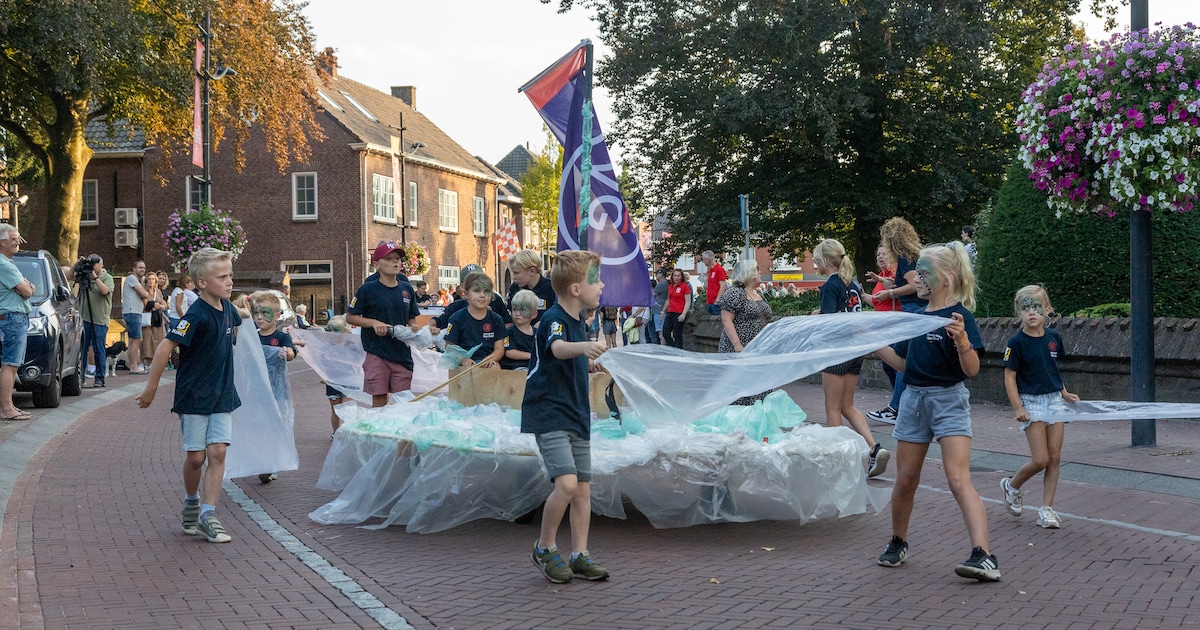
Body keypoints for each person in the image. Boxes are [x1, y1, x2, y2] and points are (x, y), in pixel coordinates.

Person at [874, 242, 998, 582]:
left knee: (958, 478)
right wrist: (873, 342)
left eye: (924, 273)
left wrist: (962, 342)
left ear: (947, 278)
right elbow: (904, 364)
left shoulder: (960, 317)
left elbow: (972, 370)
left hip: (948, 401)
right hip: (913, 401)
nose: (917, 278)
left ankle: (983, 555)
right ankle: (898, 541)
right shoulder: (915, 317)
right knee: (905, 479)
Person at [136, 247, 242, 544]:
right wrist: (151, 388)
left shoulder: (228, 309)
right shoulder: (195, 315)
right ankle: (192, 501)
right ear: (202, 283)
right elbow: (165, 347)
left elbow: (241, 317)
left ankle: (208, 515)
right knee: (196, 458)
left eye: (230, 275)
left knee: (218, 452)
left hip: (222, 392)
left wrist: (257, 310)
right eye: (222, 277)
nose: (229, 281)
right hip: (195, 394)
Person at [523, 249, 609, 584]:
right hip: (550, 413)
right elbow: (558, 349)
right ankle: (544, 547)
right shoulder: (555, 319)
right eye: (595, 280)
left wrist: (589, 363)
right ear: (576, 289)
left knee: (583, 489)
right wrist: (584, 348)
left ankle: (580, 554)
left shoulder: (578, 321)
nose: (601, 286)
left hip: (576, 413)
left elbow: (567, 360)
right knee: (568, 484)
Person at [1000, 285, 1079, 530]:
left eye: (1036, 307)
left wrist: (1064, 392)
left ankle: (1046, 509)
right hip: (1031, 403)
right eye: (1026, 308)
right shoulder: (1016, 342)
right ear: (1019, 312)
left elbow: (1051, 369)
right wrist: (1018, 407)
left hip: (1054, 401)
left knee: (1054, 458)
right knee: (1040, 459)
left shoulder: (1054, 338)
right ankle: (1012, 486)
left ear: (1047, 309)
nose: (1031, 312)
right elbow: (1009, 376)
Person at [811, 239, 889, 478]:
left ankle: (841, 460)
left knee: (833, 408)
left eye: (816, 260)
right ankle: (874, 448)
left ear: (826, 261)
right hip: (856, 351)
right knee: (847, 405)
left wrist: (816, 316)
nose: (815, 264)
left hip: (836, 350)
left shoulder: (831, 285)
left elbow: (830, 322)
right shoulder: (853, 283)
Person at [346, 242, 421, 408]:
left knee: (402, 401)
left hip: (401, 353)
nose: (395, 262)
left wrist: (413, 327)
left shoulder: (407, 289)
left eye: (397, 259)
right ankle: (378, 424)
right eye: (389, 259)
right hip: (376, 351)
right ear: (377, 265)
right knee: (379, 398)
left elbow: (411, 317)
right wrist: (373, 323)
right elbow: (350, 317)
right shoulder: (367, 289)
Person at [867, 217, 926, 423]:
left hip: (911, 310)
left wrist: (889, 293)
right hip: (915, 309)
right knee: (895, 361)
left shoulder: (903, 256)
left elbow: (913, 285)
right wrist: (887, 283)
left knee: (901, 360)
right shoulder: (913, 255)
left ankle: (896, 408)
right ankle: (904, 406)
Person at [249, 290, 297, 485]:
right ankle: (264, 462)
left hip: (277, 389)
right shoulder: (252, 337)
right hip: (257, 390)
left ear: (277, 316)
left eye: (265, 313)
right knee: (259, 425)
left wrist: (286, 353)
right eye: (256, 313)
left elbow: (291, 353)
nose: (259, 317)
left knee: (275, 425)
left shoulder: (281, 337)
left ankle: (270, 464)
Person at [716, 260, 773, 405]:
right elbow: (726, 320)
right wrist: (737, 345)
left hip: (758, 349)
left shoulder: (757, 293)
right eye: (757, 269)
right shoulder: (734, 293)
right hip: (740, 348)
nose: (760, 272)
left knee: (759, 387)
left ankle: (757, 416)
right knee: (739, 389)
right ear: (748, 272)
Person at [0, 224, 34, 421]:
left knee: (12, 364)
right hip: (12, 318)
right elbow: (28, 291)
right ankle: (6, 408)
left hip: (14, 317)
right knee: (10, 364)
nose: (17, 243)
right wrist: (25, 288)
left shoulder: (8, 263)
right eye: (14, 239)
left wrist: (25, 288)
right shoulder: (4, 265)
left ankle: (10, 406)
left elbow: (27, 288)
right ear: (2, 241)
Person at [445, 272, 507, 369]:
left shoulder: (497, 319)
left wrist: (489, 360)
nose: (482, 295)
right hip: (462, 363)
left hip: (487, 361)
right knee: (468, 369)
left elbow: (499, 349)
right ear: (466, 294)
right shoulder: (456, 318)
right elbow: (450, 347)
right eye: (477, 291)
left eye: (486, 291)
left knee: (495, 367)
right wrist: (463, 359)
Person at [434, 264, 511, 330]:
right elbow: (437, 321)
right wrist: (433, 328)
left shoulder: (495, 300)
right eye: (470, 281)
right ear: (462, 286)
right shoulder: (456, 307)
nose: (482, 295)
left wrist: (498, 334)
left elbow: (508, 323)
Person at [78, 255, 114, 388]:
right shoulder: (84, 276)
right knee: (82, 349)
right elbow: (69, 276)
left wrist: (93, 276)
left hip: (100, 319)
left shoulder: (107, 278)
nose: (92, 267)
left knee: (99, 349)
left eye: (94, 264)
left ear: (101, 264)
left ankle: (99, 377)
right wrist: (79, 264)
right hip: (85, 318)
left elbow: (104, 291)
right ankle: (80, 377)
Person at [506, 249, 556, 324]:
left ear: (532, 271)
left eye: (516, 273)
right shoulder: (514, 288)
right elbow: (509, 317)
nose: (513, 277)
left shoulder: (551, 288)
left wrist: (543, 324)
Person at [121, 260, 151, 374]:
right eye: (140, 267)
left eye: (144, 268)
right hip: (132, 312)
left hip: (135, 312)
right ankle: (133, 367)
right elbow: (144, 294)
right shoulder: (132, 278)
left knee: (132, 340)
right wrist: (145, 293)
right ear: (134, 269)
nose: (142, 269)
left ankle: (132, 366)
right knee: (137, 339)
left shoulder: (137, 280)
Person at [324, 315, 350, 439]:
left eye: (336, 330)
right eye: (330, 330)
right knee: (335, 410)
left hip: (350, 381)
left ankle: (348, 431)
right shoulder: (327, 348)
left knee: (349, 408)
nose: (333, 333)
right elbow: (321, 363)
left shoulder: (352, 345)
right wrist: (323, 375)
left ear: (345, 330)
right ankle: (336, 432)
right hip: (333, 381)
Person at [500, 289, 537, 370]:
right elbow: (509, 352)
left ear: (534, 314)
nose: (517, 314)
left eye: (523, 310)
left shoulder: (538, 333)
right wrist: (532, 355)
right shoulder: (508, 332)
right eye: (515, 309)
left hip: (534, 367)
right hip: (515, 368)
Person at [141, 272, 168, 370]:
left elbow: (164, 304)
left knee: (160, 339)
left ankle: (158, 362)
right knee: (148, 340)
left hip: (157, 318)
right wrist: (152, 305)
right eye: (149, 279)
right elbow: (144, 304)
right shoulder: (143, 291)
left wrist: (159, 306)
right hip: (147, 318)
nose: (151, 281)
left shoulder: (158, 291)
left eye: (153, 279)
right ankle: (148, 362)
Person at [662, 268, 691, 348]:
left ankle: (678, 349)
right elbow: (668, 300)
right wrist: (663, 311)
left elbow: (688, 301)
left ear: (681, 277)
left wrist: (683, 314)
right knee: (665, 333)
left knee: (677, 334)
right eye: (675, 276)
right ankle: (673, 347)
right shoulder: (670, 286)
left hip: (679, 313)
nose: (676, 278)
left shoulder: (685, 287)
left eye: (678, 276)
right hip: (670, 311)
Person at [702, 250, 728, 315]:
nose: (703, 261)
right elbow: (706, 286)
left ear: (708, 259)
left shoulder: (719, 269)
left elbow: (723, 286)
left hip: (716, 303)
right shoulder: (710, 270)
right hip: (709, 302)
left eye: (704, 259)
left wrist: (717, 300)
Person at [651, 269, 668, 344]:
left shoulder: (661, 284)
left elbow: (652, 295)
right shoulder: (665, 283)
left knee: (661, 333)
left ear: (661, 274)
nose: (656, 275)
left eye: (657, 274)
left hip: (659, 311)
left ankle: (663, 349)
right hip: (661, 310)